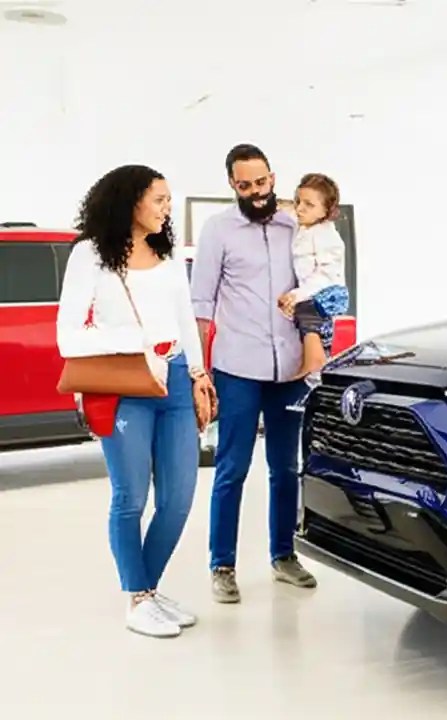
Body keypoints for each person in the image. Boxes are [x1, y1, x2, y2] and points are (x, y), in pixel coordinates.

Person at [56, 164, 215, 637]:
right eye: (159, 200)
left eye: (168, 200)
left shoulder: (167, 253)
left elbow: (184, 318)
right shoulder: (90, 254)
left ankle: (148, 588)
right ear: (130, 202)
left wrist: (199, 374)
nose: (167, 209)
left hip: (176, 381)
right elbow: (68, 337)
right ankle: (138, 598)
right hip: (125, 382)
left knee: (178, 499)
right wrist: (137, 342)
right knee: (131, 497)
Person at [190, 143, 318, 604]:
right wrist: (198, 370)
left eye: (261, 182)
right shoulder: (217, 229)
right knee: (232, 469)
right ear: (232, 184)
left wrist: (315, 345)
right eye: (245, 185)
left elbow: (316, 286)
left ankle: (283, 555)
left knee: (286, 468)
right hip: (237, 368)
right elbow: (201, 303)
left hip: (290, 369)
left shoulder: (294, 227)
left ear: (272, 177)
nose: (256, 192)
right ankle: (222, 565)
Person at [276, 173, 350, 376]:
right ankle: (308, 361)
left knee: (307, 316)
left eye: (309, 205)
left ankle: (314, 363)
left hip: (328, 293)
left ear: (326, 210)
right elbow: (286, 211)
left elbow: (326, 275)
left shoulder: (325, 234)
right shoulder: (304, 228)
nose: (300, 208)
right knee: (299, 316)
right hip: (312, 291)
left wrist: (297, 294)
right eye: (298, 201)